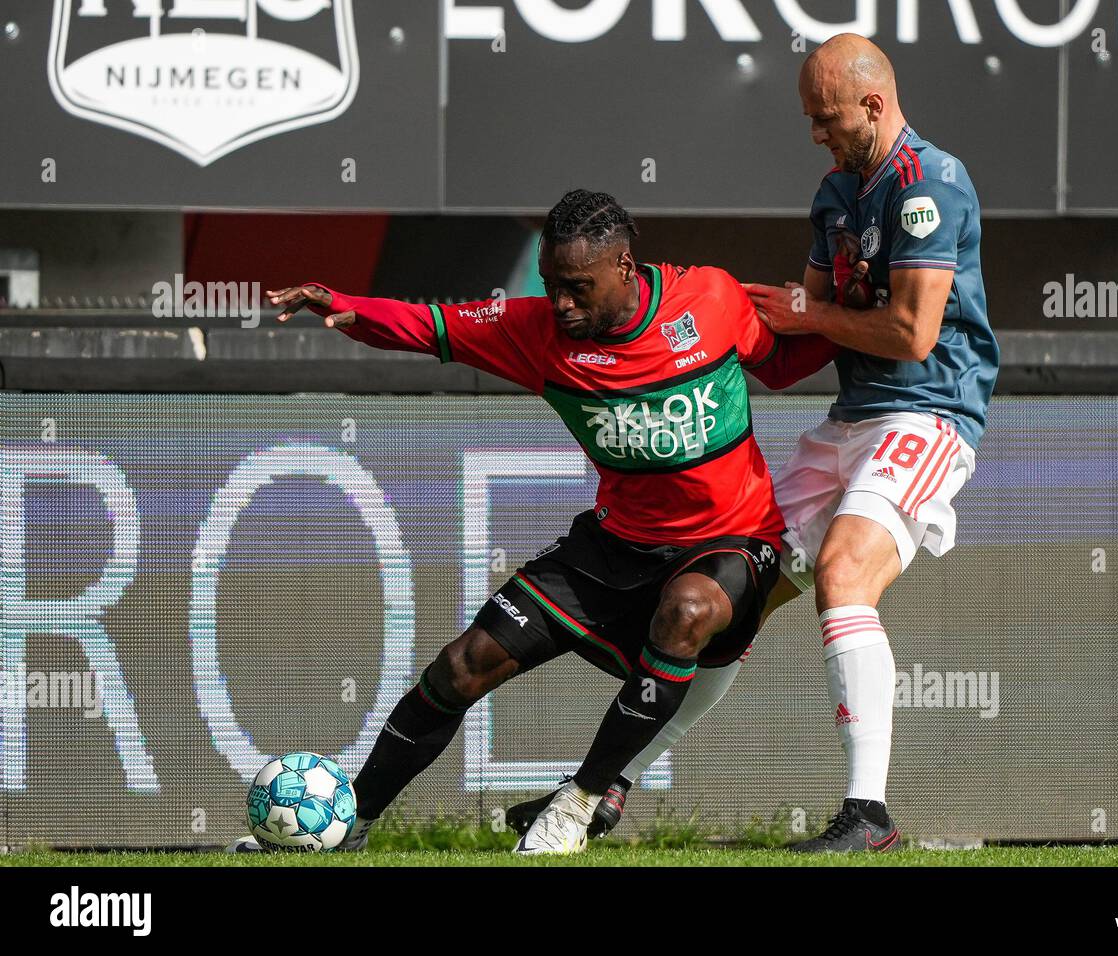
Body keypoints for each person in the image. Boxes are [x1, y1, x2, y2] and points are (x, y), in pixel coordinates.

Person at [227, 189, 835, 855]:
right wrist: (348, 309)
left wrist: (860, 335)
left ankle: (577, 805)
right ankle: (351, 824)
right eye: (552, 287)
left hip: (732, 544)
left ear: (625, 266)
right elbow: (434, 326)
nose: (563, 304)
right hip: (613, 548)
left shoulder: (710, 299)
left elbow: (779, 363)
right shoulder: (537, 331)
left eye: (578, 288)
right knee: (463, 667)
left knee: (688, 609)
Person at [510, 35, 999, 854]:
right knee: (737, 599)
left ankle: (867, 815)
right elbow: (799, 319)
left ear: (873, 106)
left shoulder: (930, 186)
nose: (816, 134)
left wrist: (809, 316)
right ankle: (604, 790)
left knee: (844, 572)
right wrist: (729, 322)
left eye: (826, 118)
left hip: (928, 411)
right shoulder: (837, 192)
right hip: (853, 418)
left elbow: (913, 334)